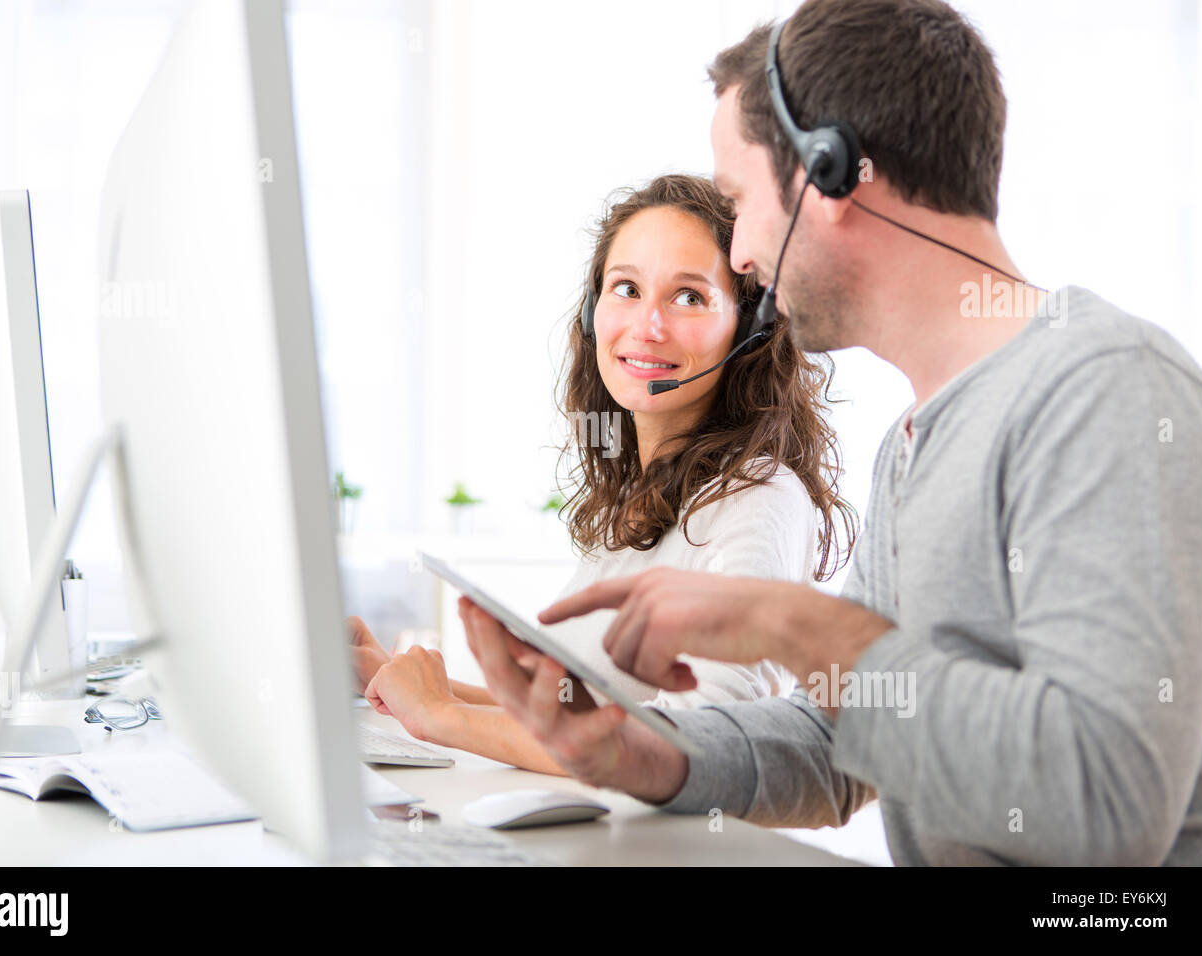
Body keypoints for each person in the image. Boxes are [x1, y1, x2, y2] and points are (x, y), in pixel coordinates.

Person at [460, 0, 1202, 865]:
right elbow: (841, 750)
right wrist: (642, 752)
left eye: (740, 201)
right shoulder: (913, 443)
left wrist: (797, 625)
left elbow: (1108, 807)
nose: (741, 252)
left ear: (831, 175)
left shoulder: (1104, 389)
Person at [349, 173, 856, 774]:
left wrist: (443, 718)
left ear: (748, 333)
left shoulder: (756, 497)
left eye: (689, 296)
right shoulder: (647, 499)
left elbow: (696, 738)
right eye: (626, 288)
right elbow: (591, 716)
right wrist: (404, 682)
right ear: (593, 314)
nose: (648, 326)